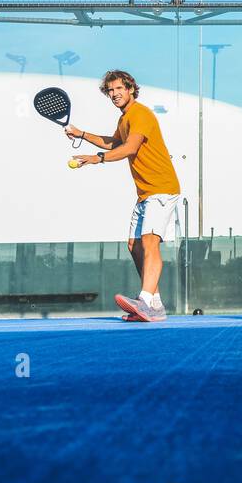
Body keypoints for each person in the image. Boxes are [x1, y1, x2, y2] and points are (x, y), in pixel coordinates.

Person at [66, 70, 181, 322]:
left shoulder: (140, 114)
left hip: (161, 187)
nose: (115, 94)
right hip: (145, 192)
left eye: (119, 88)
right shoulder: (125, 119)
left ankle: (146, 300)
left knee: (150, 242)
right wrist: (82, 134)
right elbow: (114, 143)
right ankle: (156, 304)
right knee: (134, 245)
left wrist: (96, 160)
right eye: (110, 91)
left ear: (130, 89)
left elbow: (129, 148)